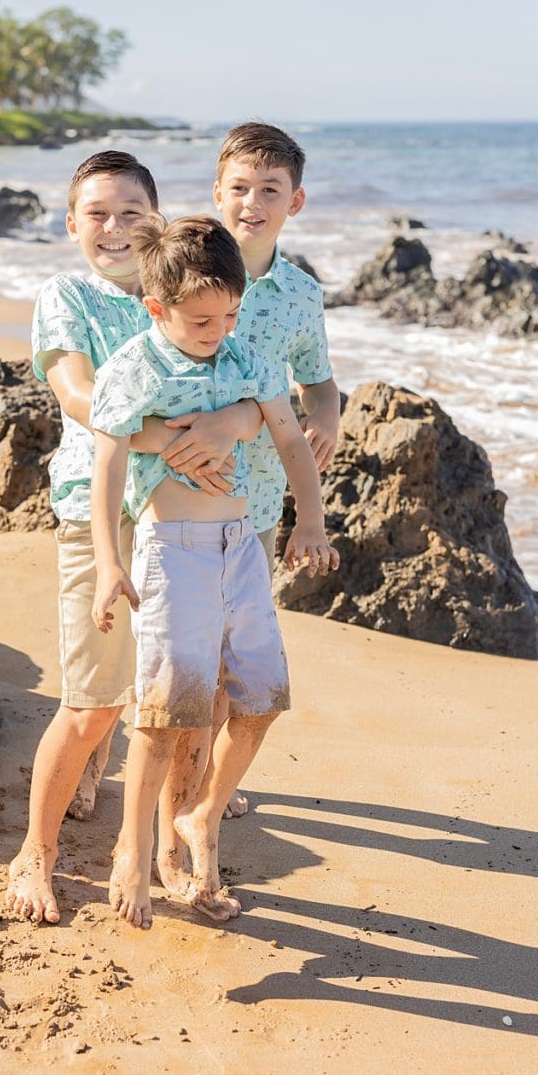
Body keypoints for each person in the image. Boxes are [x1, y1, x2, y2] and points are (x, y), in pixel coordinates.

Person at [5, 152, 260, 925]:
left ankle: (170, 855)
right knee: (93, 704)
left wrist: (232, 422)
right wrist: (180, 434)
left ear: (157, 215)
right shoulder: (67, 295)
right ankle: (34, 853)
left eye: (129, 211)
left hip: (189, 524)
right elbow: (79, 396)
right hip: (102, 515)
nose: (112, 228)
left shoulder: (186, 289)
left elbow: (257, 392)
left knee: (180, 704)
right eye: (95, 213)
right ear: (71, 222)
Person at [90, 214, 340, 930]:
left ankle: (201, 817)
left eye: (230, 313)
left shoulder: (245, 360)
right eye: (202, 319)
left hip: (240, 547)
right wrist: (110, 563)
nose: (219, 328)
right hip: (172, 555)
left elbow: (292, 440)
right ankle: (134, 854)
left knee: (260, 701)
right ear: (156, 308)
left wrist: (310, 522)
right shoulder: (133, 368)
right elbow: (108, 468)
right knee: (164, 717)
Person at [190, 121, 342, 820]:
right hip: (174, 489)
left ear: (296, 202)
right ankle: (106, 755)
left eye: (269, 190)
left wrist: (330, 418)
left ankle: (209, 782)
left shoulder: (301, 295)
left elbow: (316, 379)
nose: (253, 202)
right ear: (217, 193)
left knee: (230, 654)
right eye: (240, 188)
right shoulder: (179, 268)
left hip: (255, 499)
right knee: (163, 642)